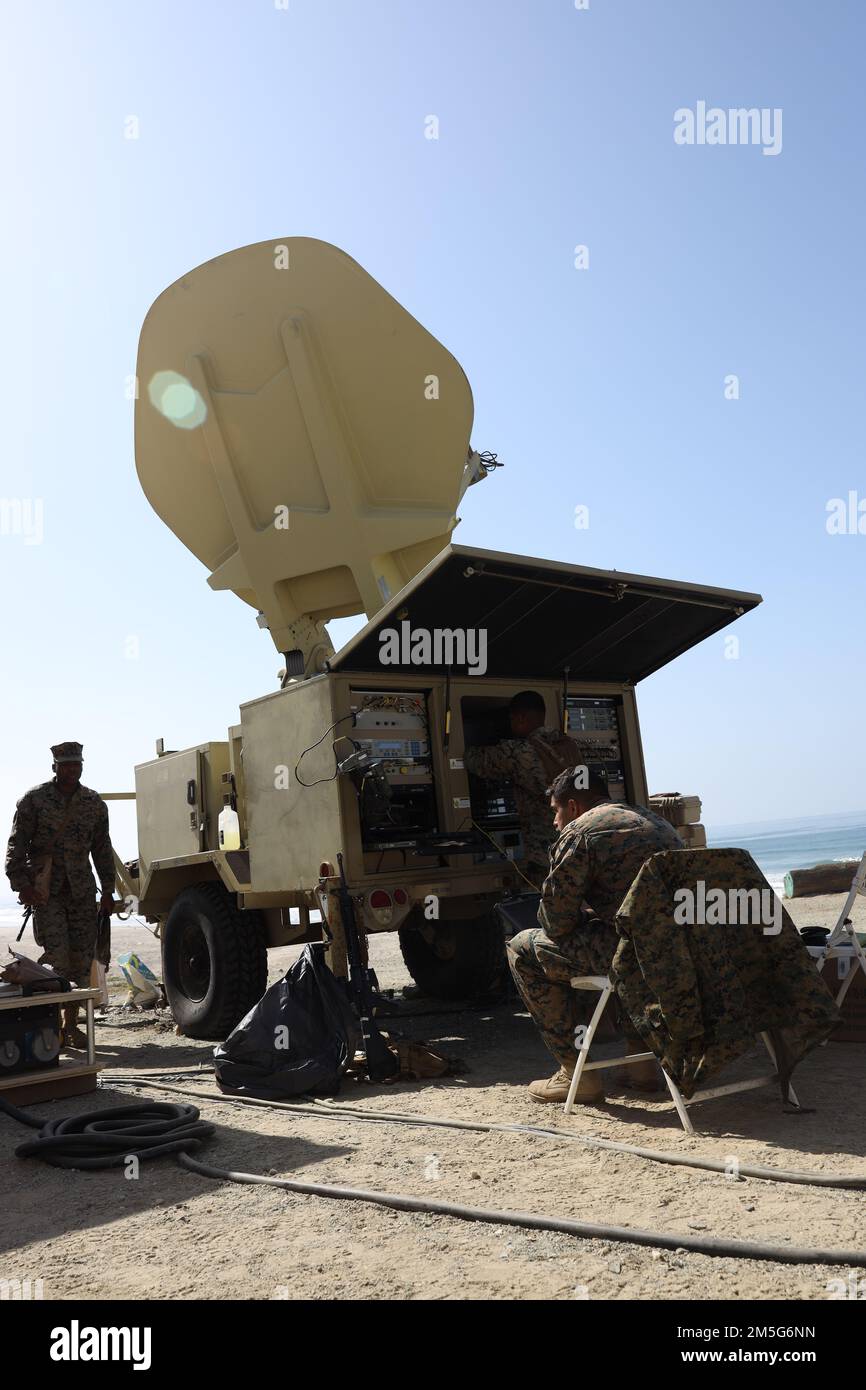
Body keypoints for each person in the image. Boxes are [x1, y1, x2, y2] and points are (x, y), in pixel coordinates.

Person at [507, 765, 684, 1104]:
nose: (555, 822)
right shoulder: (656, 822)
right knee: (614, 933)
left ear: (572, 806)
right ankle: (642, 1065)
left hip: (634, 952)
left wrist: (577, 914)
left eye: (556, 812)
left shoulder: (579, 833)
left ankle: (578, 1074)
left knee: (521, 948)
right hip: (679, 949)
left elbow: (555, 923)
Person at [5, 742, 116, 1049]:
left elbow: (102, 850)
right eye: (66, 765)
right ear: (54, 767)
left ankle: (70, 1025)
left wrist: (108, 889)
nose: (72, 770)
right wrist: (22, 885)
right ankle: (50, 1024)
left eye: (76, 764)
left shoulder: (93, 803)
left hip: (81, 891)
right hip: (46, 893)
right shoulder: (34, 800)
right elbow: (17, 845)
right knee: (58, 959)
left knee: (81, 961)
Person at [463, 690, 585, 886]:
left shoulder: (519, 752)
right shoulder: (569, 745)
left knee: (543, 908)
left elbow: (473, 760)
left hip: (546, 855)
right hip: (579, 845)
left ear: (520, 718)